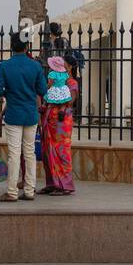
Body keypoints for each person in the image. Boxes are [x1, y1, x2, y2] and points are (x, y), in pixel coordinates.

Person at [0, 32, 47, 202]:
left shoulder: (5, 66)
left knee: (14, 153)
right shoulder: (35, 66)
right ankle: (30, 190)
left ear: (12, 47)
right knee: (29, 152)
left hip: (14, 114)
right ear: (27, 46)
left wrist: (6, 94)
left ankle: (12, 191)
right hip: (30, 114)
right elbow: (43, 90)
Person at [38, 56, 75, 196]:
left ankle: (65, 185)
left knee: (61, 150)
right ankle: (52, 183)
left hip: (61, 122)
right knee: (48, 151)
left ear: (70, 67)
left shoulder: (71, 83)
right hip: (50, 119)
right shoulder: (56, 83)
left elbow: (69, 102)